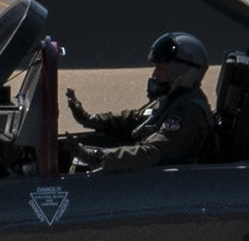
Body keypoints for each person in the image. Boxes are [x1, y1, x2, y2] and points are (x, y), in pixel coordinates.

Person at [78, 33, 218, 172]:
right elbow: (135, 119)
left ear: (182, 73)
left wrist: (98, 157)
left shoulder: (188, 112)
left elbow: (150, 154)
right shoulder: (170, 100)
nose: (154, 75)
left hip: (162, 184)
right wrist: (91, 119)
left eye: (161, 68)